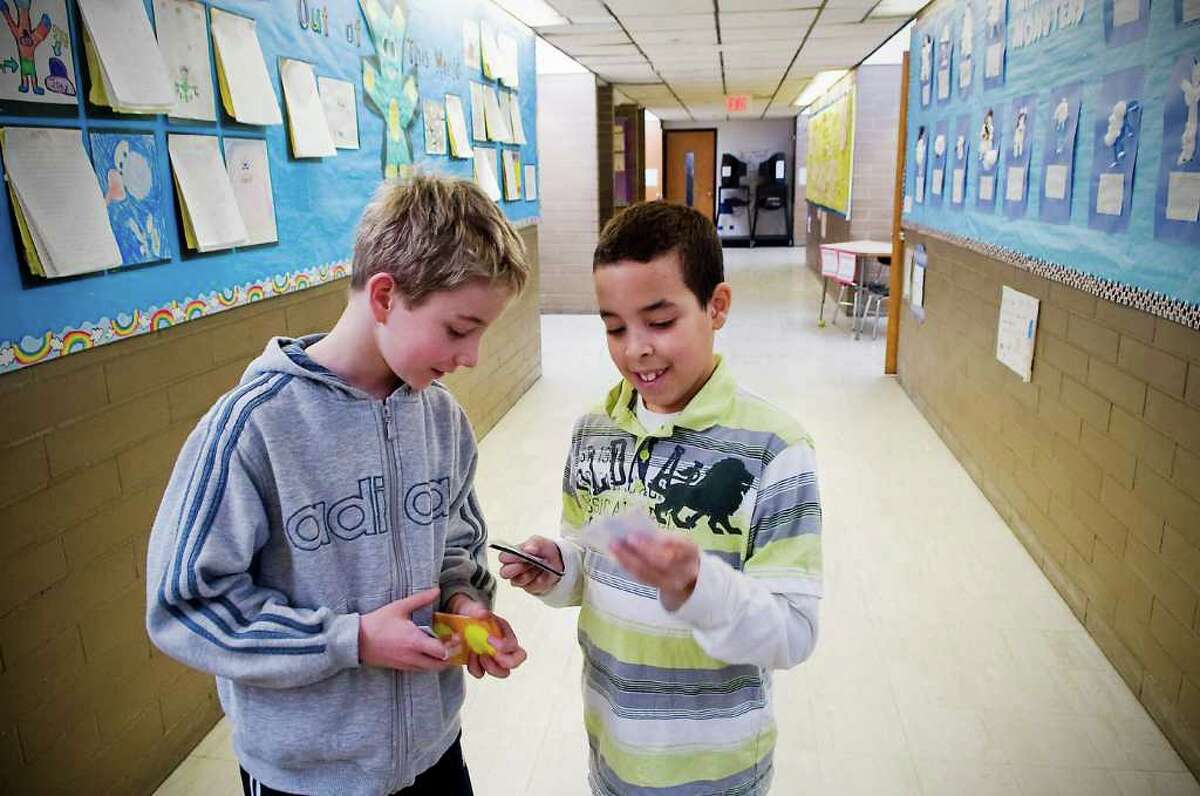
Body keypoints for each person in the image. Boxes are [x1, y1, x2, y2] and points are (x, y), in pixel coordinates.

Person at [146, 174, 529, 796]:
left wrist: (465, 606)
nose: (472, 357)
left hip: (434, 754)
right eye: (459, 330)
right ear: (384, 296)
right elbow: (187, 605)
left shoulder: (441, 418)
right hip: (308, 777)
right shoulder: (253, 428)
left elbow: (457, 547)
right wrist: (348, 641)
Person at [500, 201, 822, 795]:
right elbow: (587, 569)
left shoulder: (775, 449)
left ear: (716, 306)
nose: (636, 349)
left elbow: (793, 633)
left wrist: (698, 585)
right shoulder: (594, 432)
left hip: (716, 771)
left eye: (660, 320)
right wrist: (556, 567)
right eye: (615, 327)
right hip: (613, 755)